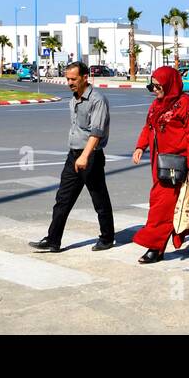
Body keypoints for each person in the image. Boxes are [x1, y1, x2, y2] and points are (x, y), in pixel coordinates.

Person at [29, 62, 116, 253]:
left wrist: (85, 156)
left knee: (99, 198)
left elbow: (97, 132)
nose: (69, 82)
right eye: (67, 79)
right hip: (74, 155)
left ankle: (107, 237)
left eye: (73, 79)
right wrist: (76, 155)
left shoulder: (97, 100)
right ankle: (53, 240)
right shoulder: (74, 98)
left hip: (90, 155)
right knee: (63, 198)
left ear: (85, 77)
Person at [131, 66, 189, 263]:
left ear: (170, 84)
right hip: (159, 163)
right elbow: (148, 126)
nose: (154, 89)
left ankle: (155, 247)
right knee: (181, 203)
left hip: (178, 164)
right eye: (152, 85)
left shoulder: (187, 105)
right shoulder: (156, 105)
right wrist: (140, 146)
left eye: (158, 86)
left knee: (161, 205)